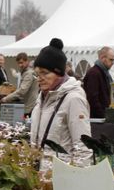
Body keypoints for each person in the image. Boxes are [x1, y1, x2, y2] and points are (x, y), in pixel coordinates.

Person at [29, 39, 91, 167]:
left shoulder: (73, 99)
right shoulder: (42, 98)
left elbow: (83, 147)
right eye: (37, 74)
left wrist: (79, 174)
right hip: (40, 172)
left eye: (45, 73)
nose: (39, 78)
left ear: (59, 74)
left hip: (62, 173)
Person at [82, 46, 114, 119]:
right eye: (111, 60)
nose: (113, 63)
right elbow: (92, 99)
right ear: (102, 58)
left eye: (113, 60)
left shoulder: (103, 73)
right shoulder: (94, 73)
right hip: (97, 119)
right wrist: (103, 115)